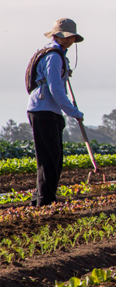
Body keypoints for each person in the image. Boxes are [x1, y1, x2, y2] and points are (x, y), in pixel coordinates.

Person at [25, 18, 86, 206]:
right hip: (44, 110)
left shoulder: (58, 54)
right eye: (68, 36)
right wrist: (73, 111)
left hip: (47, 110)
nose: (70, 40)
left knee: (53, 157)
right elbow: (55, 89)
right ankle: (45, 200)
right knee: (50, 157)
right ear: (59, 36)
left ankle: (41, 198)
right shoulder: (54, 56)